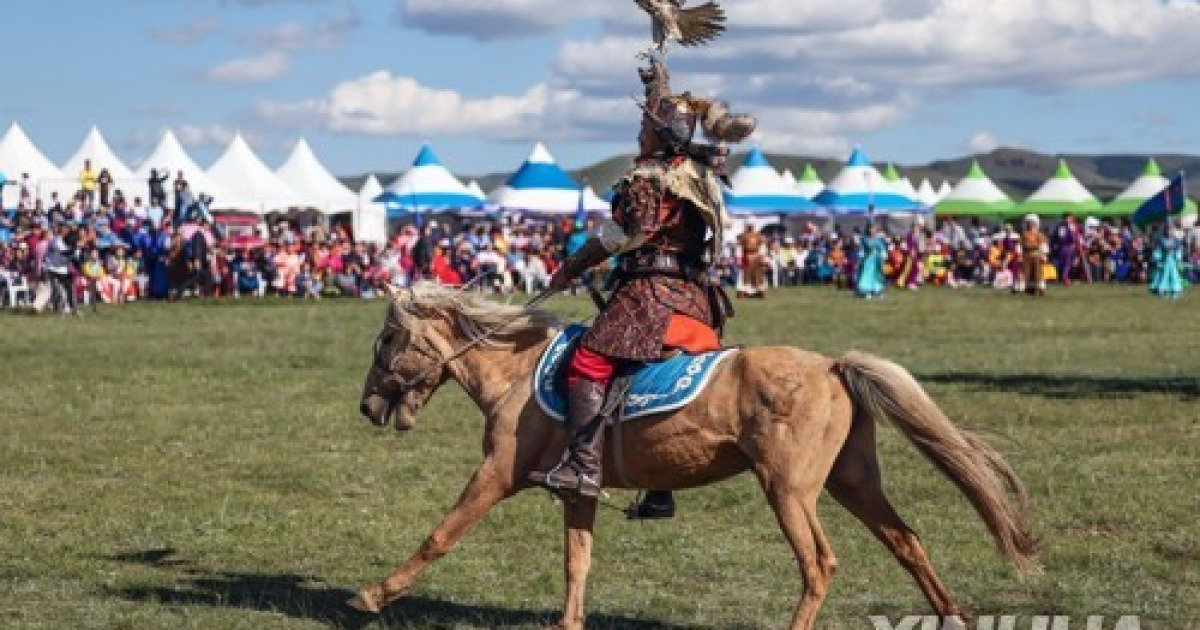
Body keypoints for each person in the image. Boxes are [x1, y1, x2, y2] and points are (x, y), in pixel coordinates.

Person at [526, 56, 753, 517]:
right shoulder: (694, 176)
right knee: (642, 370)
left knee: (589, 360)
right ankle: (659, 483)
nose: (638, 134)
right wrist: (658, 84)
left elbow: (628, 233)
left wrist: (573, 266)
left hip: (652, 296)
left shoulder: (650, 180)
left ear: (661, 136)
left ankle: (582, 466)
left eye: (645, 127)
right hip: (694, 302)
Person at [1149, 223, 1184, 299]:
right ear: (1165, 231)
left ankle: (1176, 290)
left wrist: (1178, 259)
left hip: (1173, 261)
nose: (1169, 232)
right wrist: (1157, 259)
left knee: (1174, 275)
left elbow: (1178, 250)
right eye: (1168, 230)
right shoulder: (1161, 240)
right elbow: (1158, 251)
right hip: (1164, 261)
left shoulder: (1176, 240)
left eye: (1171, 230)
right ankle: (1162, 290)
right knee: (1164, 275)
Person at [1018, 214, 1047, 296]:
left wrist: (1043, 255)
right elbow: (1020, 246)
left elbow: (1043, 246)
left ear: (1036, 224)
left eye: (1032, 223)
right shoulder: (1024, 234)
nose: (1031, 225)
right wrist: (1020, 255)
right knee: (1027, 272)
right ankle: (1029, 288)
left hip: (1037, 256)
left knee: (1038, 273)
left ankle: (1040, 289)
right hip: (1026, 256)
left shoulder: (1040, 235)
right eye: (1029, 223)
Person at [855, 222, 886, 298]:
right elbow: (862, 250)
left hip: (877, 260)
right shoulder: (864, 239)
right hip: (868, 260)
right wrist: (860, 259)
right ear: (868, 229)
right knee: (867, 275)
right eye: (871, 228)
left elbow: (882, 249)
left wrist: (883, 258)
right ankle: (867, 291)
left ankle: (878, 291)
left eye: (874, 228)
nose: (873, 230)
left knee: (877, 275)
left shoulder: (879, 239)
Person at [736, 223, 767, 298]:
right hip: (746, 257)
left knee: (758, 275)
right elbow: (739, 248)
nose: (750, 227)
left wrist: (762, 258)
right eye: (749, 226)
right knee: (744, 275)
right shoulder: (743, 236)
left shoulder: (759, 236)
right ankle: (745, 292)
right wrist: (739, 258)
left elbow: (762, 247)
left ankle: (758, 292)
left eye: (751, 226)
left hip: (757, 257)